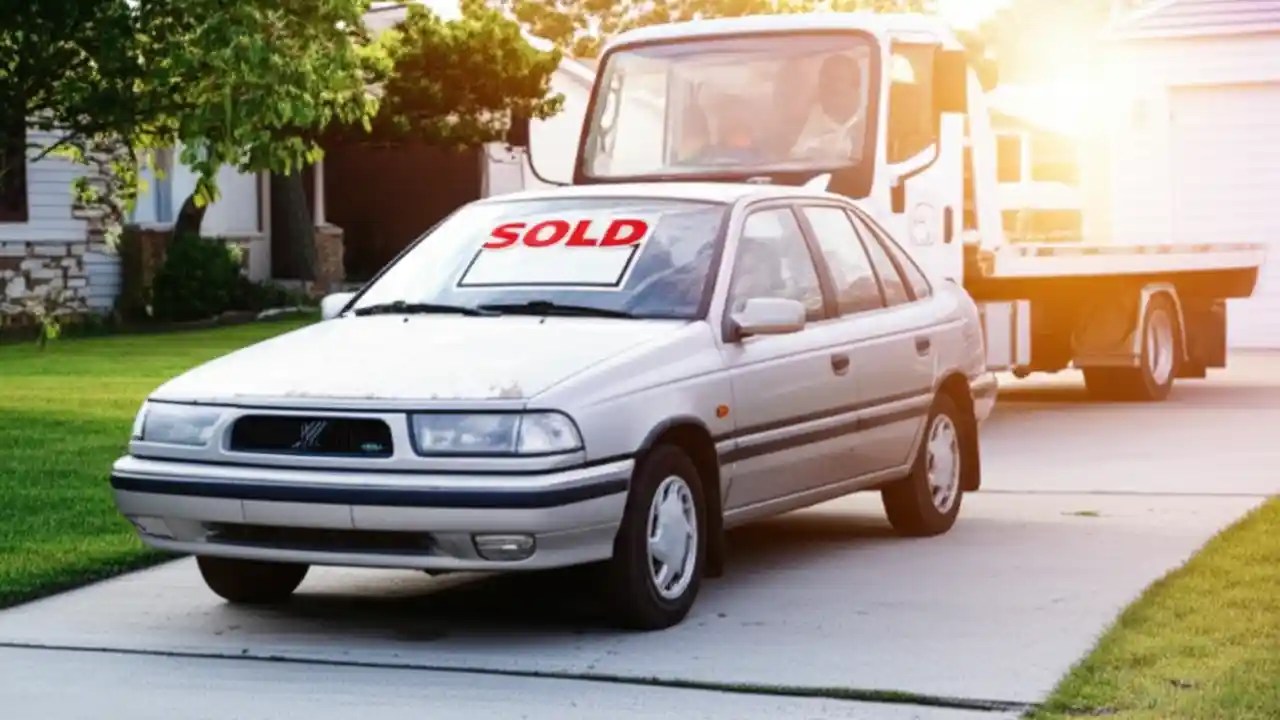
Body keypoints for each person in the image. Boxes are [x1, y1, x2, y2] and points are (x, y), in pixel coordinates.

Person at [789, 53, 865, 161]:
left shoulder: (874, 124)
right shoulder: (801, 124)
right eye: (824, 80)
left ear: (855, 87)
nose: (829, 85)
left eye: (837, 79)